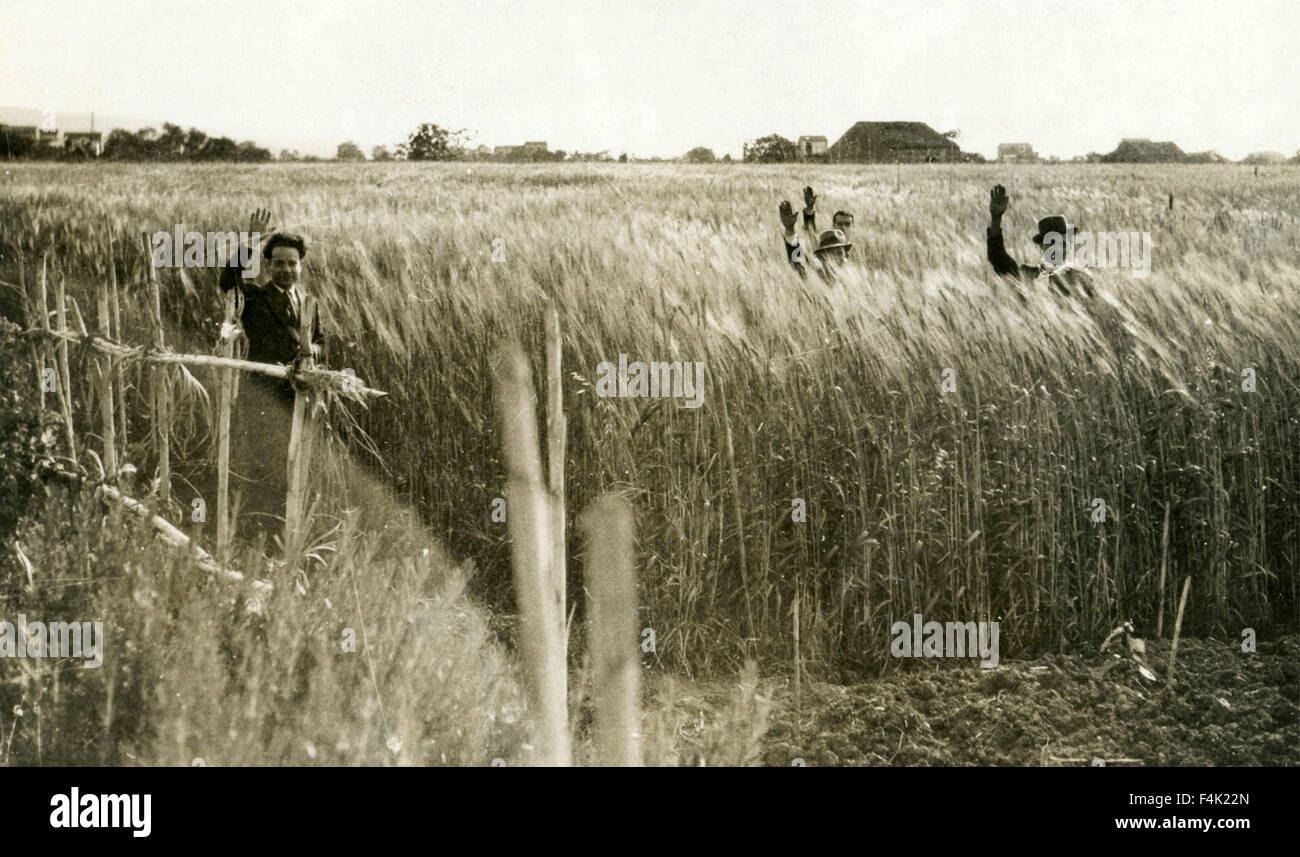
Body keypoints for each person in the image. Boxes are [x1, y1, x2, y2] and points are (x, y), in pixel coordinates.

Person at [986, 184, 1093, 299]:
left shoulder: (1080, 277)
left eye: (1062, 244)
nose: (1057, 249)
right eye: (1051, 243)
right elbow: (998, 258)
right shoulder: (1027, 274)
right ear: (1041, 246)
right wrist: (996, 219)